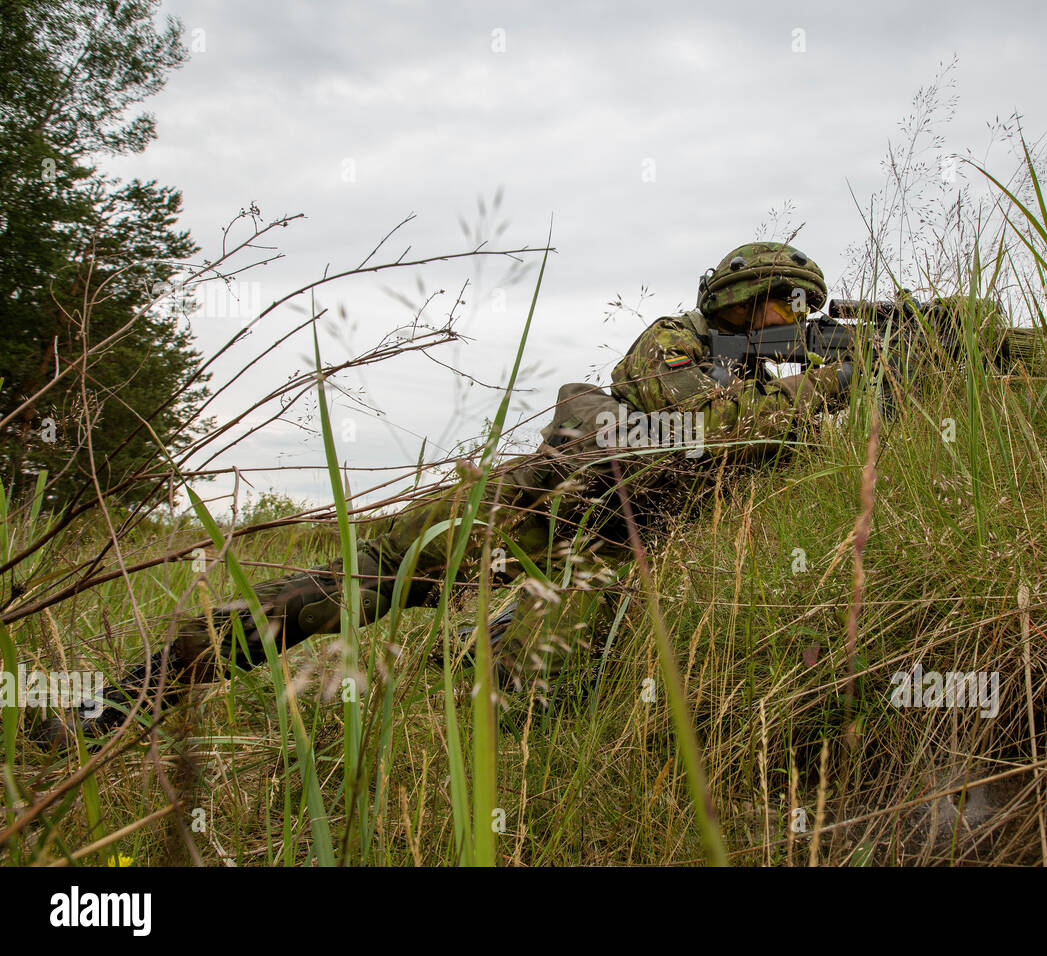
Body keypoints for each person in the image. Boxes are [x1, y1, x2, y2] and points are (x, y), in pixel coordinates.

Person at [35, 240, 856, 748]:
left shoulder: (760, 386)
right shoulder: (674, 343)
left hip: (599, 554)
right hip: (519, 511)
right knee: (341, 595)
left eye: (807, 310)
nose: (797, 317)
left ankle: (478, 645)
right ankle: (121, 703)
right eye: (788, 302)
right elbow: (690, 428)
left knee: (541, 703)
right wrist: (827, 383)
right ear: (737, 301)